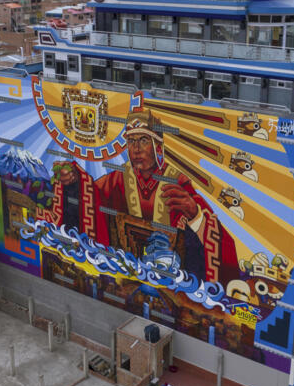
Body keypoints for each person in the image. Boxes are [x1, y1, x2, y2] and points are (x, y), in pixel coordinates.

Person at [94, 110, 240, 283]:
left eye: (143, 140)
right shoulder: (116, 179)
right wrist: (75, 177)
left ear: (157, 146)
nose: (136, 148)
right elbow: (89, 196)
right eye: (131, 141)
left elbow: (222, 243)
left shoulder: (177, 182)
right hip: (126, 277)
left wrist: (196, 217)